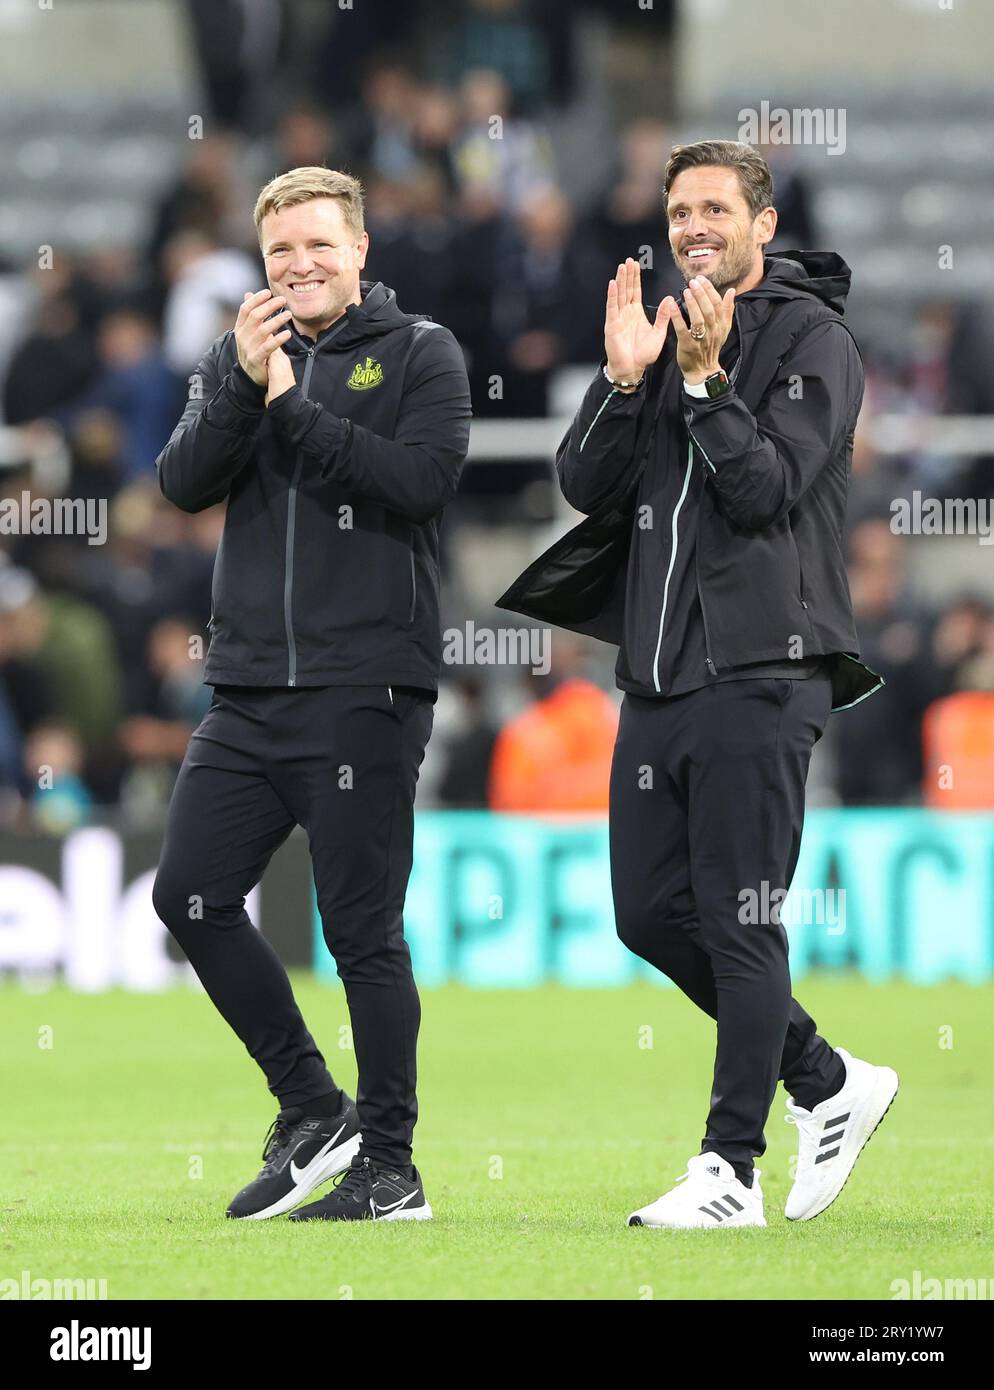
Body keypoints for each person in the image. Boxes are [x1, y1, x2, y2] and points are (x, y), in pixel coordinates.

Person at [498, 140, 896, 1229]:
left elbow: (765, 490)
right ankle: (825, 1078)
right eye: (680, 211)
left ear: (764, 224)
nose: (693, 227)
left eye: (715, 207)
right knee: (648, 915)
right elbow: (583, 481)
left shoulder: (816, 339)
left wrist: (708, 382)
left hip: (767, 668)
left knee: (739, 920)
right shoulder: (669, 327)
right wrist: (627, 379)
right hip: (660, 676)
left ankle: (728, 1171)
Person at [153, 167, 471, 1223]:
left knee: (360, 932)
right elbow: (180, 484)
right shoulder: (236, 356)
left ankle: (392, 1167)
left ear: (361, 250)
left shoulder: (421, 352)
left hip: (364, 688)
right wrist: (247, 384)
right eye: (282, 250)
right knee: (188, 894)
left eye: (319, 246)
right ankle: (311, 1104)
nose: (300, 265)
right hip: (246, 690)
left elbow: (415, 484)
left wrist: (290, 405)